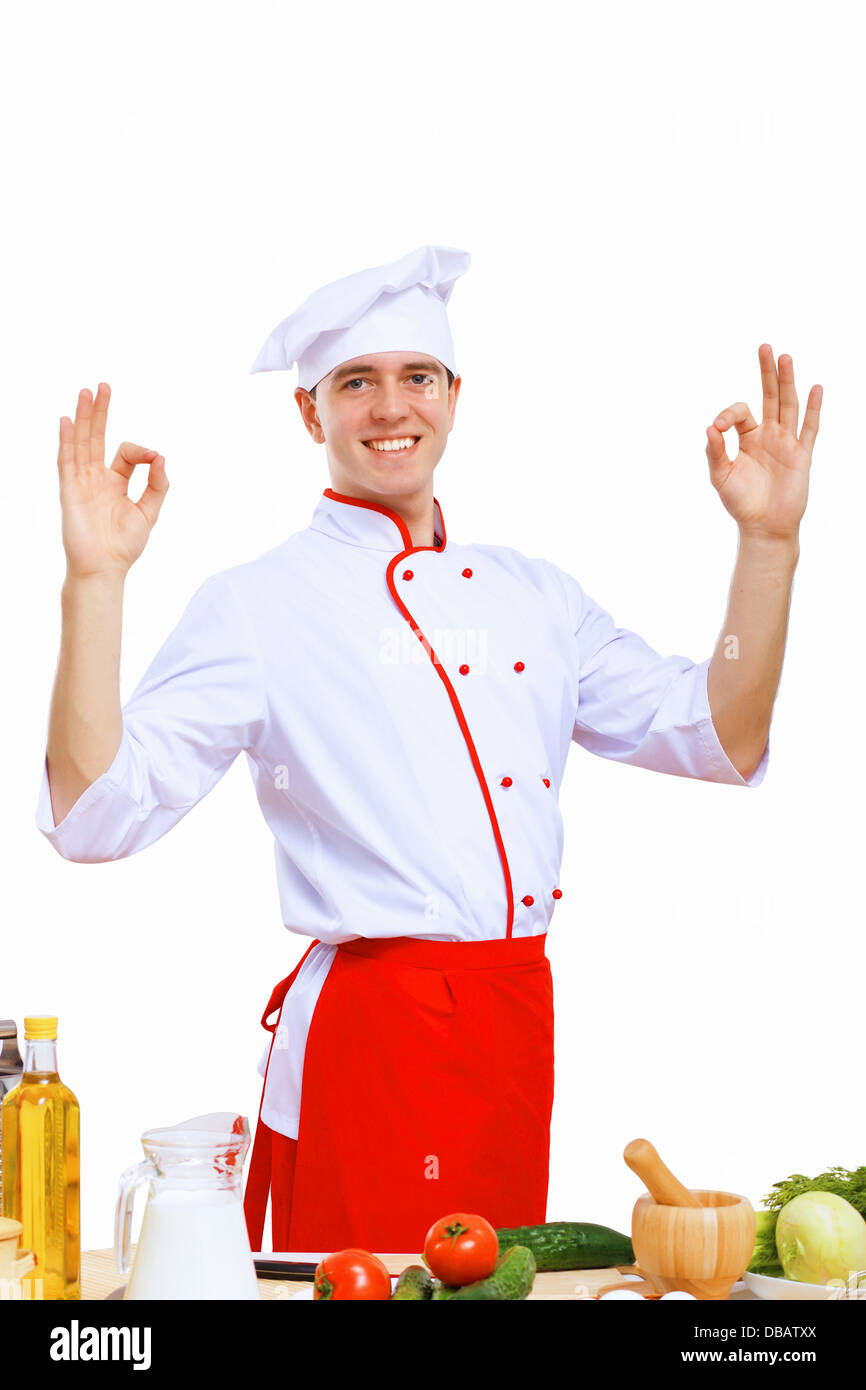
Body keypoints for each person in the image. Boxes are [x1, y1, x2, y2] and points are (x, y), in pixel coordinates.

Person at [37, 245, 821, 1254]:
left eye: (416, 376)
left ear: (455, 397)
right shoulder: (257, 605)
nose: (388, 406)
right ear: (309, 414)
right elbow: (99, 812)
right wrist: (93, 582)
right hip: (374, 1042)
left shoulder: (534, 595)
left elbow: (719, 729)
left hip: (511, 1020)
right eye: (354, 381)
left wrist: (768, 545)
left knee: (488, 1290)